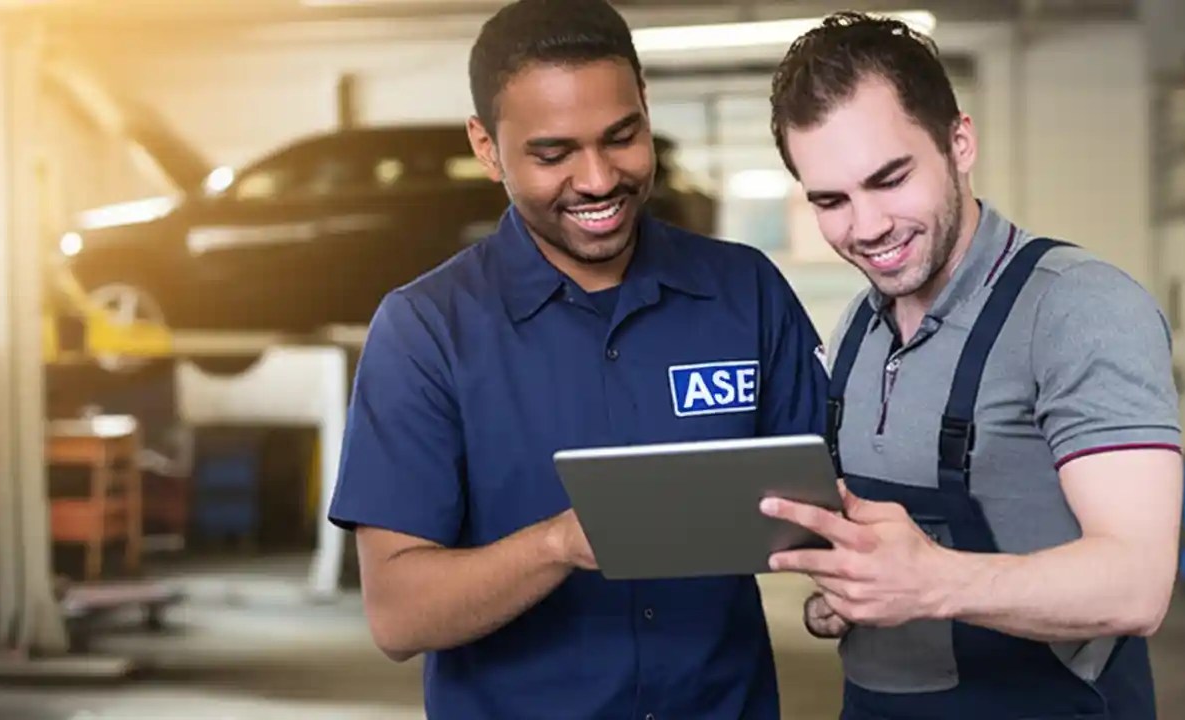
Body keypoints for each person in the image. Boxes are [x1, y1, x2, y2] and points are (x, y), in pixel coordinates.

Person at [326, 0, 829, 717]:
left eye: (621, 137)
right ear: (486, 146)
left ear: (646, 110)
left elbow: (838, 500)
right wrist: (560, 544)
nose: (598, 180)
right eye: (553, 154)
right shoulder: (425, 332)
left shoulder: (744, 293)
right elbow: (400, 616)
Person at [758, 12, 1183, 720]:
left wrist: (931, 583)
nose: (866, 228)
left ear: (959, 142)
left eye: (889, 179)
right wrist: (856, 593)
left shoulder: (1079, 309)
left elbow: (1137, 585)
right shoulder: (861, 326)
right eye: (830, 200)